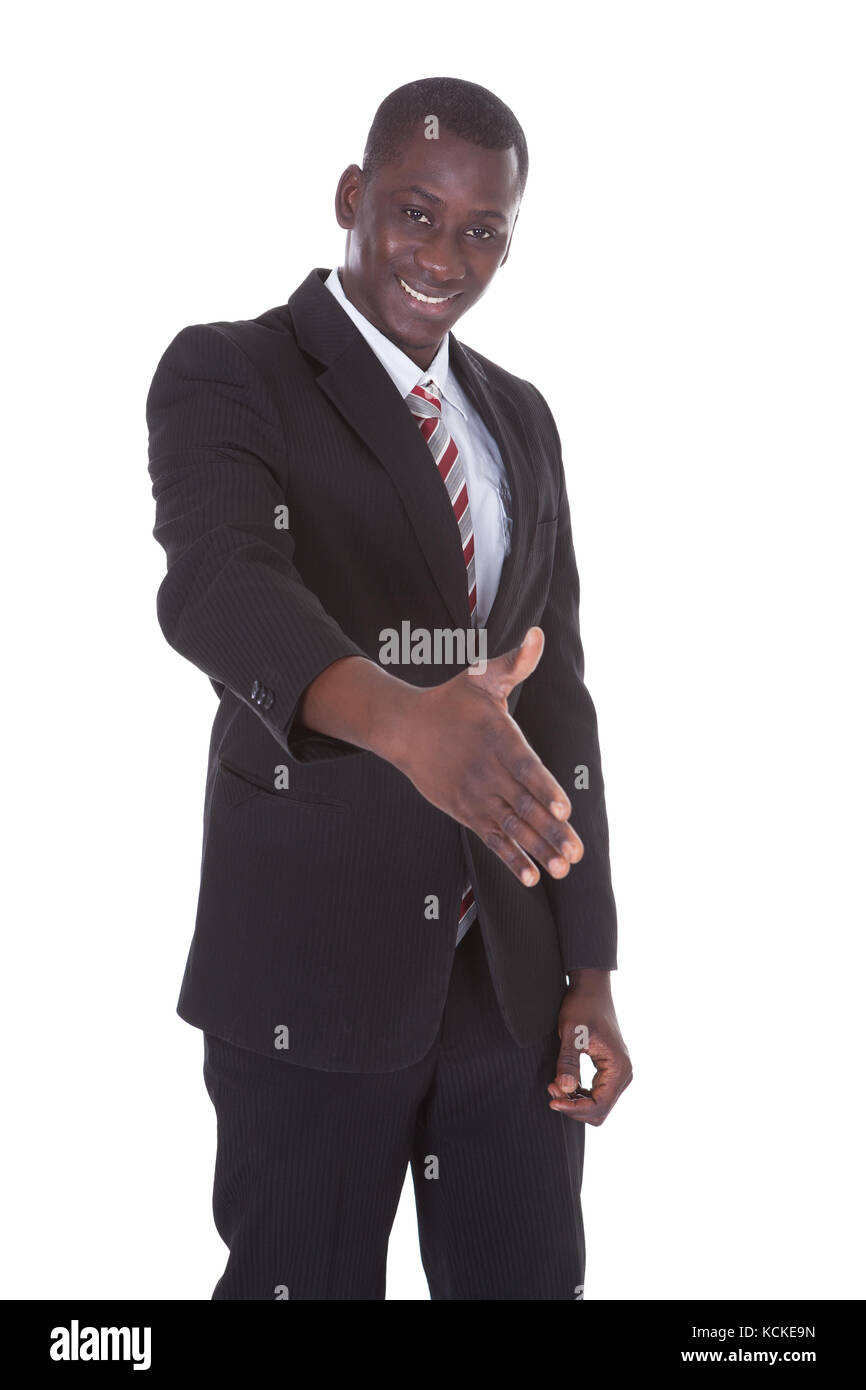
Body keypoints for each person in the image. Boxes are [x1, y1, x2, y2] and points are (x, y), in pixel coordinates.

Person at [146, 75, 632, 1301]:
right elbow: (224, 587)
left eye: (482, 231)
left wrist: (588, 970)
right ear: (353, 196)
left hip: (505, 983)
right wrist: (408, 725)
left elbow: (556, 698)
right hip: (314, 962)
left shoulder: (517, 417)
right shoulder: (232, 372)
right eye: (415, 213)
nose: (444, 256)